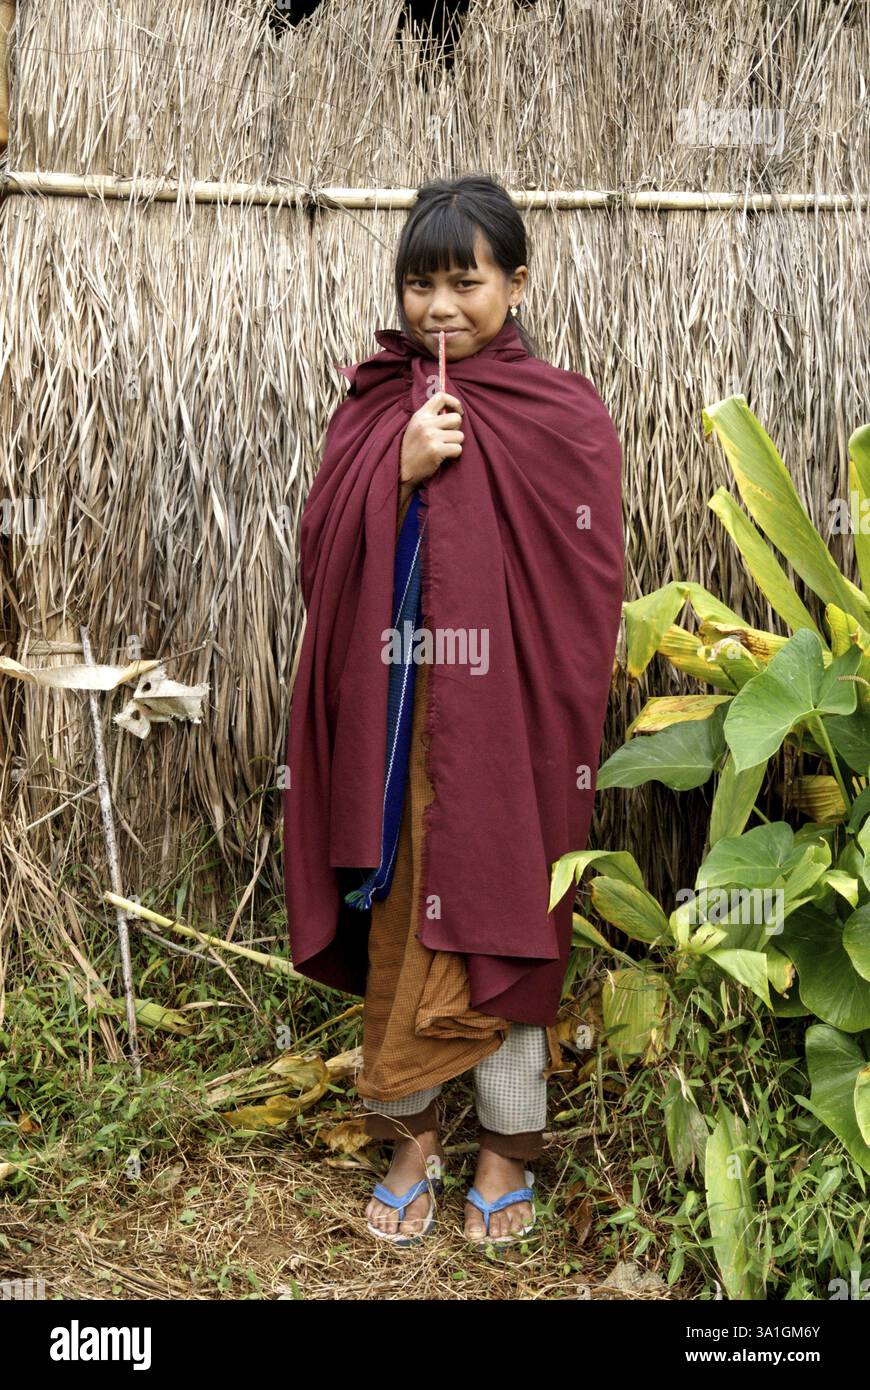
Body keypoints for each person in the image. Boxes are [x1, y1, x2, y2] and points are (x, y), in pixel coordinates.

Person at [283, 173, 625, 1246]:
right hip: (400, 728)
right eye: (420, 283)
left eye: (464, 282)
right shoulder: (376, 403)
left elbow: (589, 578)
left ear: (515, 282)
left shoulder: (561, 410)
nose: (439, 307)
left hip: (507, 734)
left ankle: (505, 1149)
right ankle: (415, 1135)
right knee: (402, 917)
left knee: (508, 907)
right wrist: (397, 468)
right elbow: (319, 556)